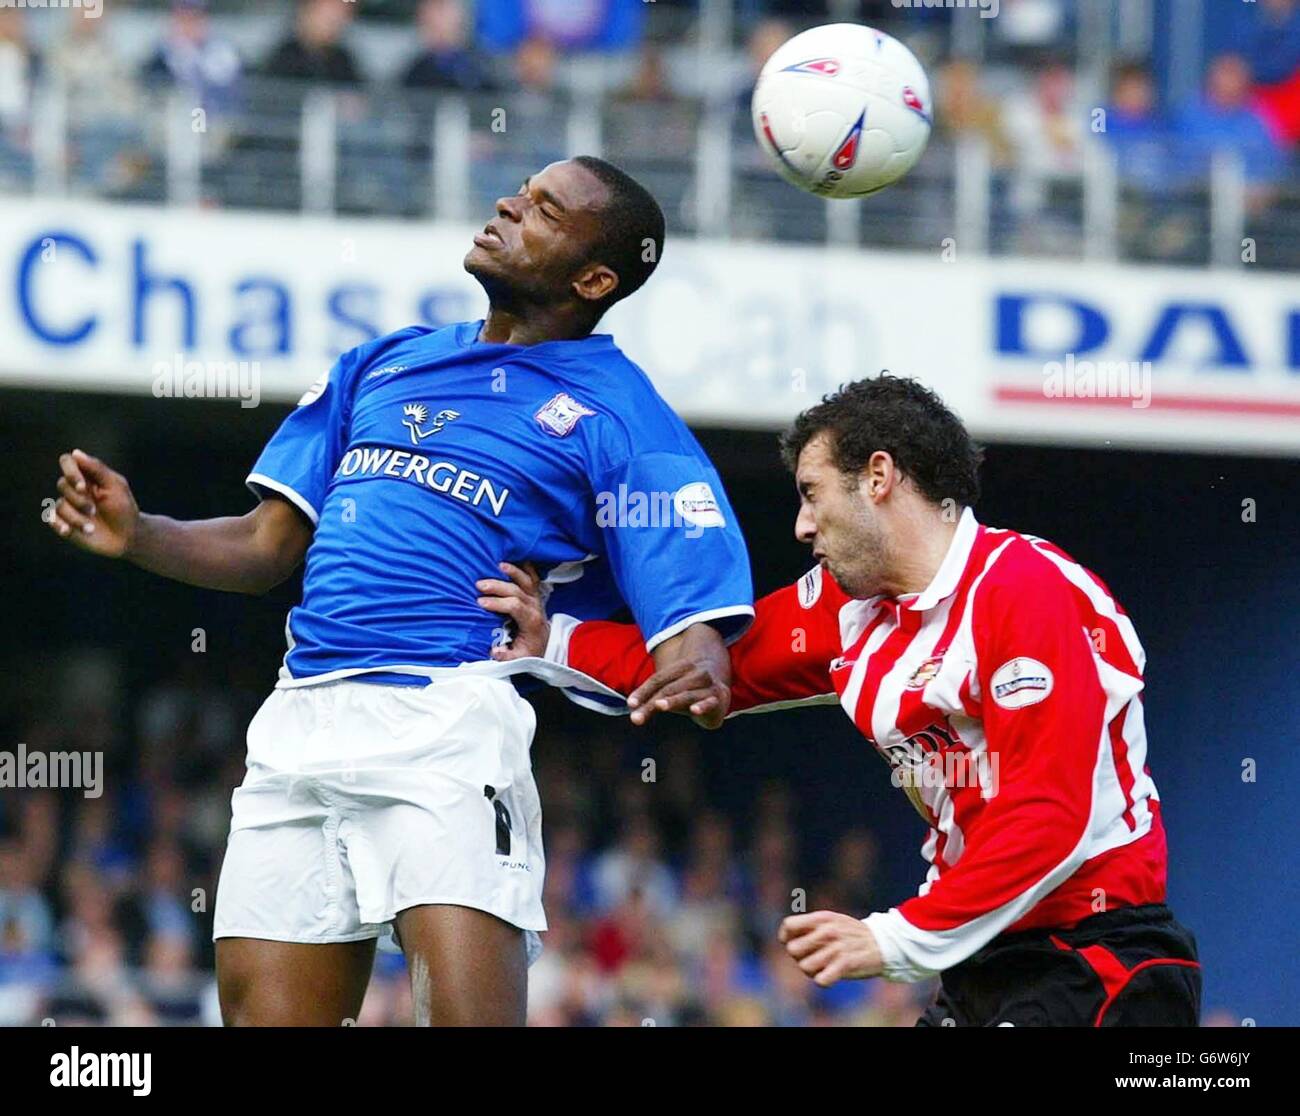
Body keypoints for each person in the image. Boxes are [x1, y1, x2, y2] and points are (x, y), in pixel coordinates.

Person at [46, 156, 755, 1027]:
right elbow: (268, 545)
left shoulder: (623, 414)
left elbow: (691, 628)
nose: (507, 204)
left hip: (444, 728)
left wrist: (696, 666)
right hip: (298, 725)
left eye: (542, 210)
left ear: (595, 277)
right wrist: (139, 531)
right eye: (518, 190)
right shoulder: (383, 362)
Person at [481, 375, 1201, 1027]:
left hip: (1097, 957)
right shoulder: (846, 607)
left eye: (812, 492)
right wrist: (556, 641)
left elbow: (1049, 813)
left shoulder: (1022, 592)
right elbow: (708, 669)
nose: (800, 526)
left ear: (879, 477)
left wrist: (891, 936)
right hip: (980, 956)